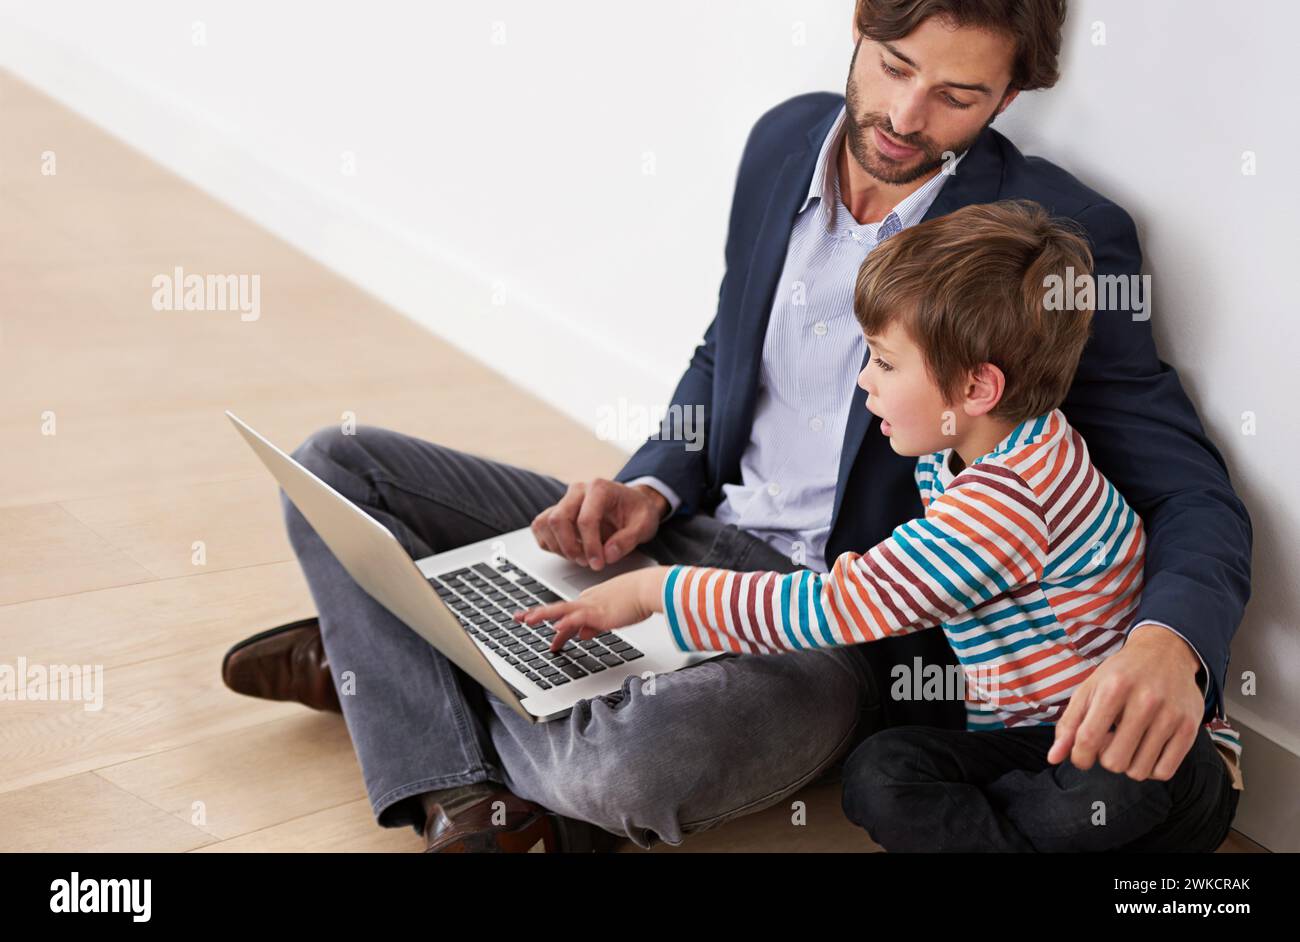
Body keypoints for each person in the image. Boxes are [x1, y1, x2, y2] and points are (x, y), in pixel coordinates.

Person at [222, 0, 1251, 852]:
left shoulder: (1050, 241)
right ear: (857, 25)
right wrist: (650, 484)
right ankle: (455, 761)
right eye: (892, 67)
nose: (901, 114)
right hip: (684, 531)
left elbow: (1189, 486)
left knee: (638, 768)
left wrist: (1173, 642)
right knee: (338, 464)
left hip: (828, 628)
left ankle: (399, 664)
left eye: (956, 95)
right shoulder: (782, 140)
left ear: (1013, 95)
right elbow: (725, 348)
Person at [515, 200, 1243, 852]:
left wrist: (654, 595)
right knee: (883, 773)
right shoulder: (974, 449)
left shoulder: (1010, 498)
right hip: (1033, 745)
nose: (865, 378)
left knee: (1113, 790)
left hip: (1149, 762)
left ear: (976, 387)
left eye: (885, 362)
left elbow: (835, 606)